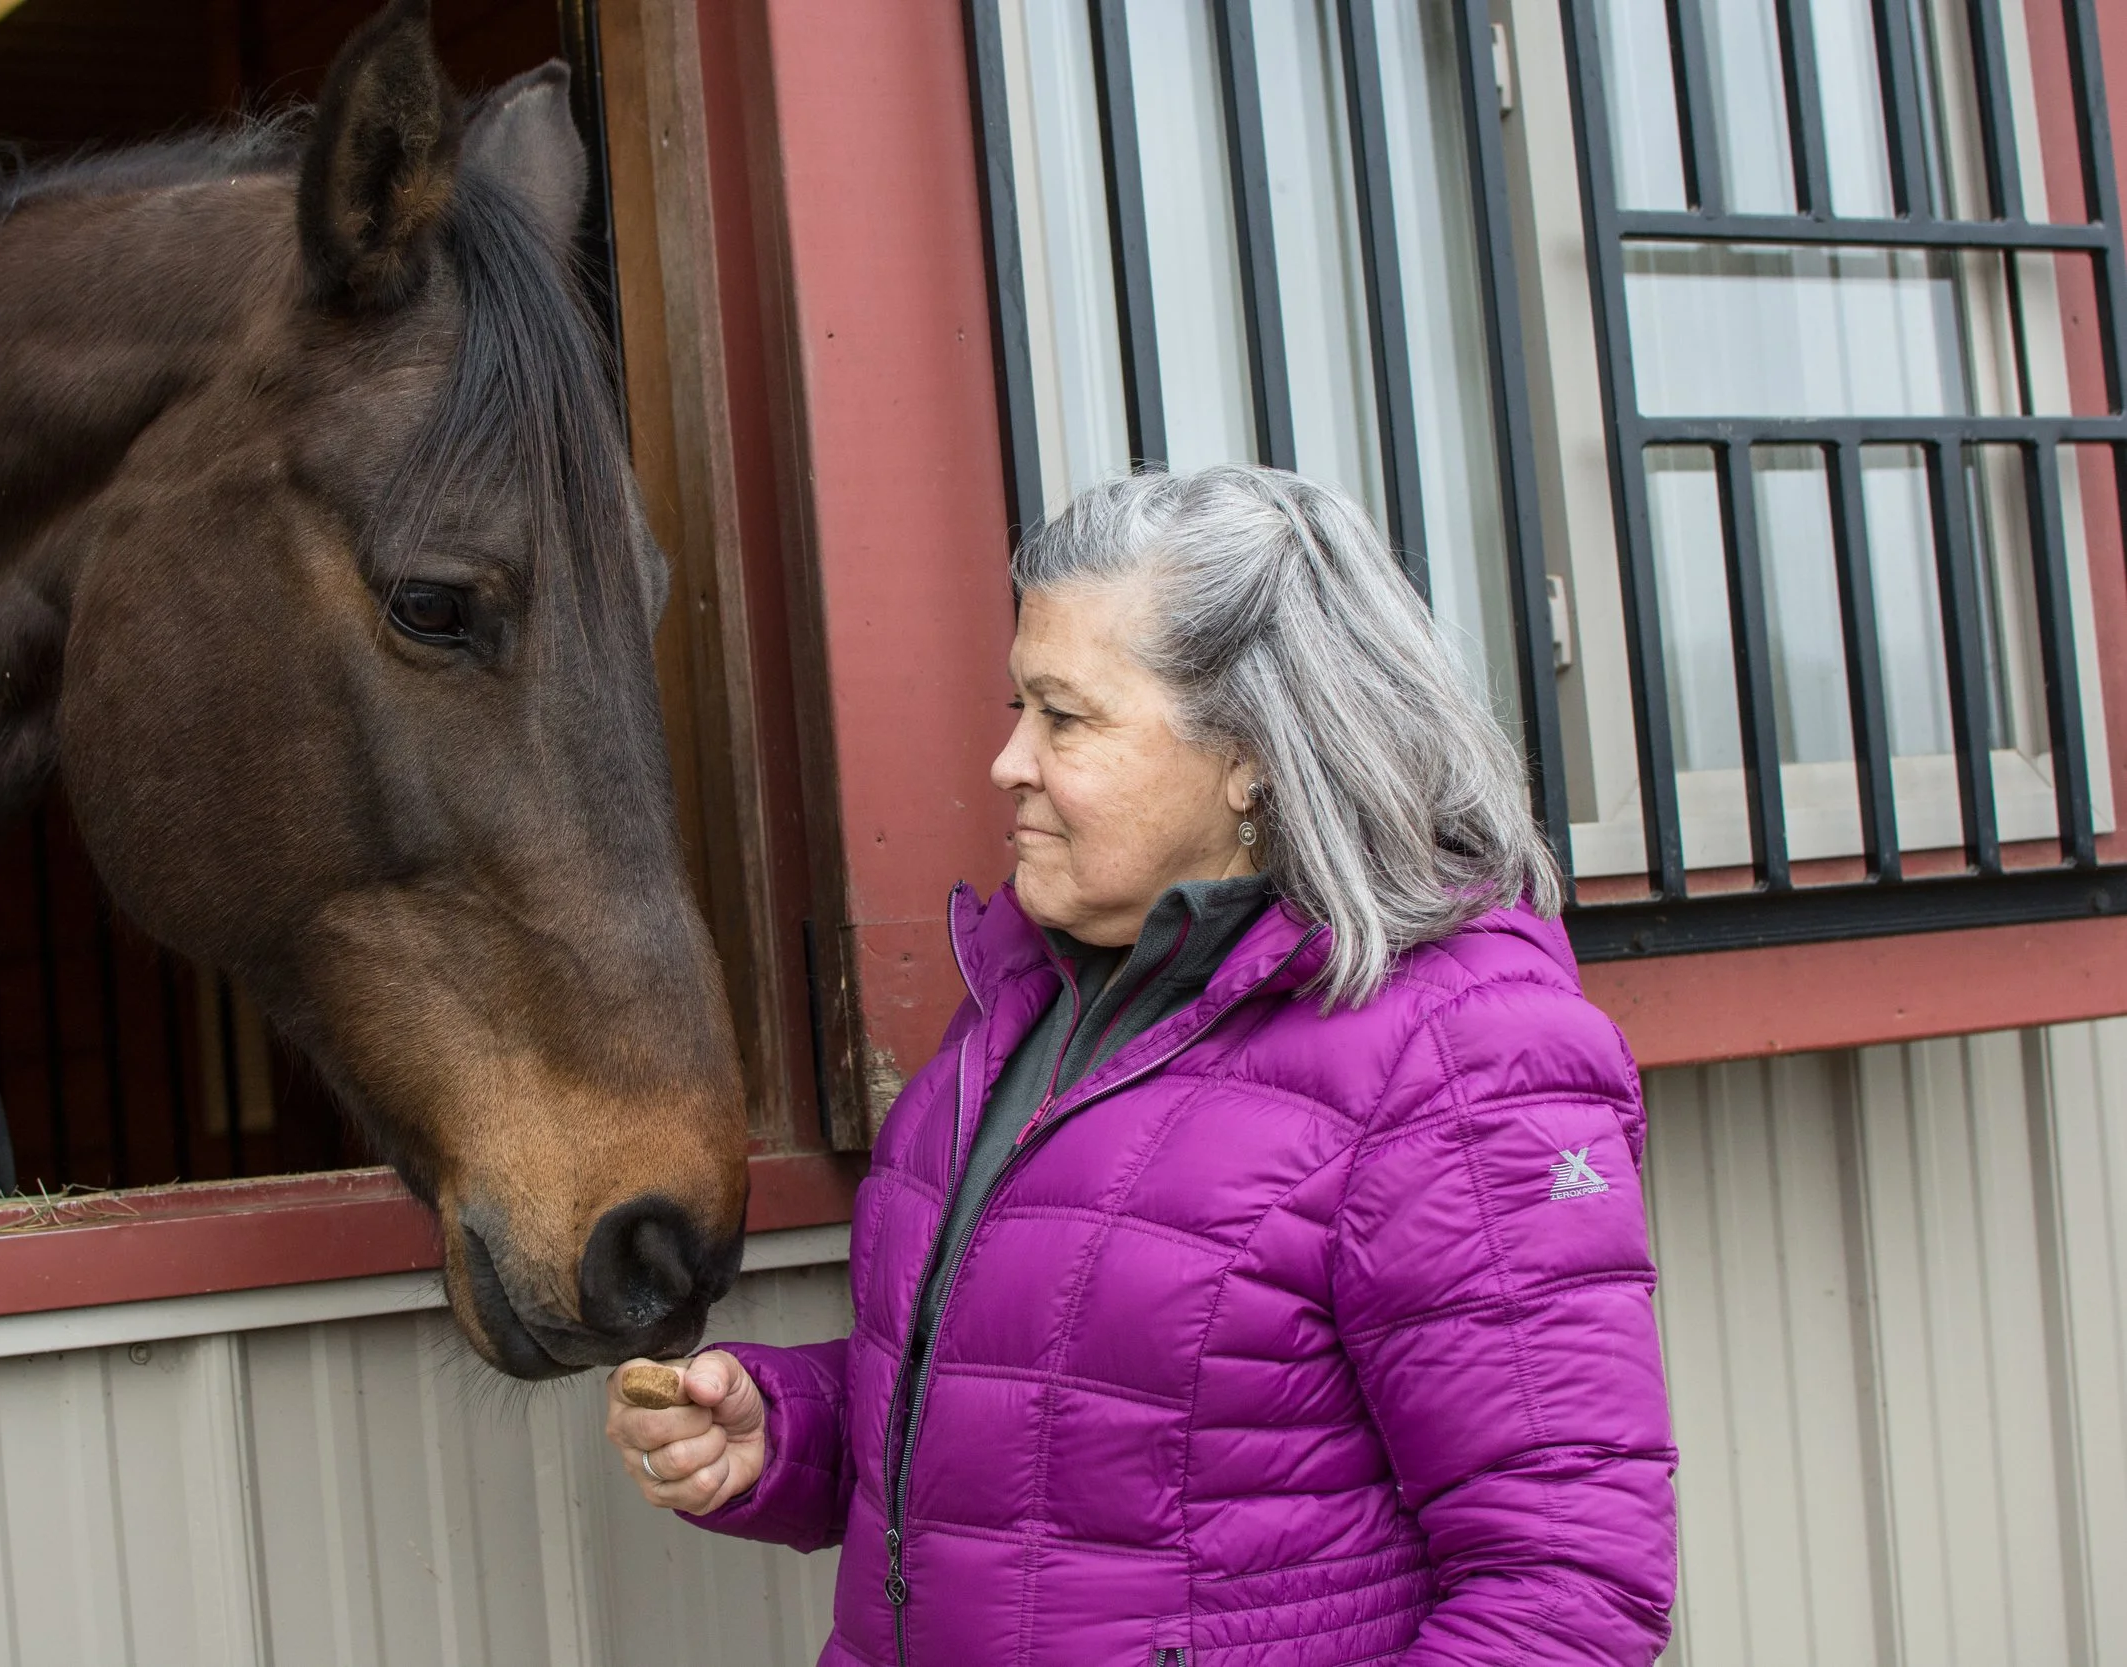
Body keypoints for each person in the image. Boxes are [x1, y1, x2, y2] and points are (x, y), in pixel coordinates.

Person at [603, 465, 1677, 1665]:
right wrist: (787, 1431)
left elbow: (1564, 1587)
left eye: (1062, 715)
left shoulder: (1463, 1054)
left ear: (1253, 758)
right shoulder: (1035, 994)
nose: (1009, 761)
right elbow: (1058, 1416)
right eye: (1016, 706)